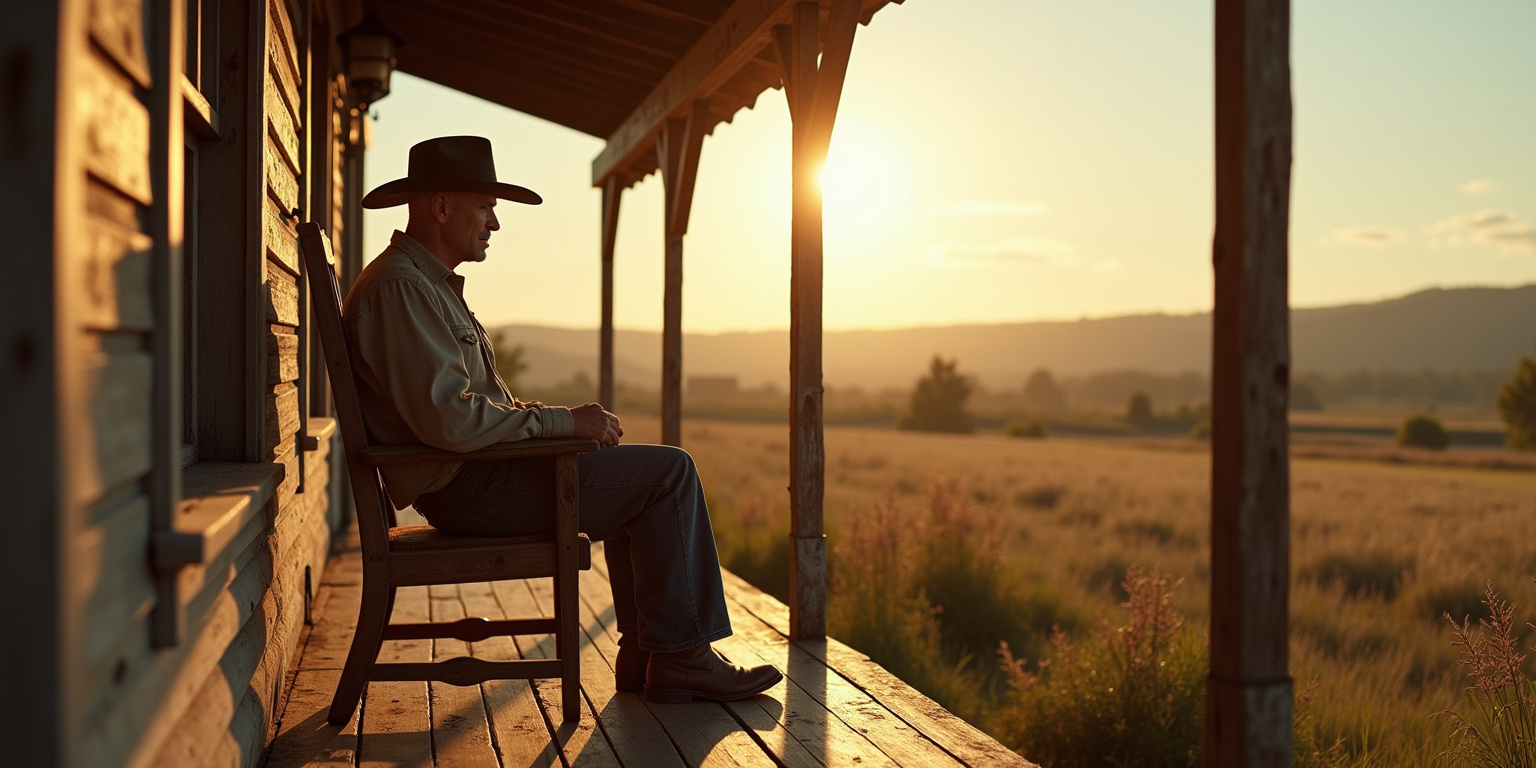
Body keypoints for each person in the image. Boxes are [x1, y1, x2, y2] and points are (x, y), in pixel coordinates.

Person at [345, 135, 781, 703]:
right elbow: (451, 423)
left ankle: (651, 655)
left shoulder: (422, 285)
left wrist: (567, 428)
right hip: (468, 489)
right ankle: (683, 659)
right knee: (668, 475)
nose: (494, 223)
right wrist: (560, 424)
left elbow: (469, 409)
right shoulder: (403, 287)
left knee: (631, 471)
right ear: (442, 207)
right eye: (484, 207)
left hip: (475, 479)